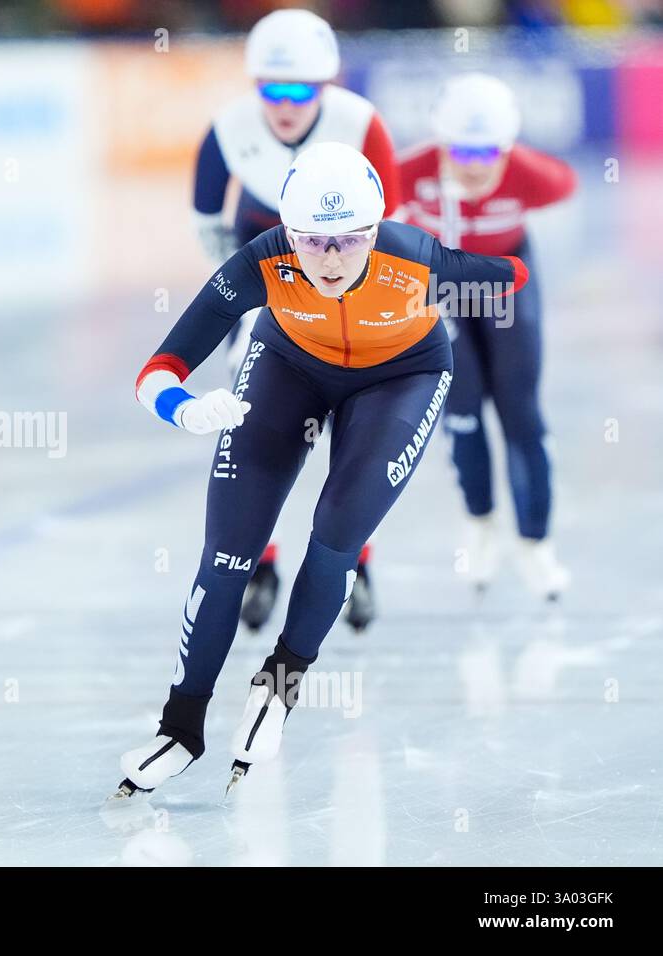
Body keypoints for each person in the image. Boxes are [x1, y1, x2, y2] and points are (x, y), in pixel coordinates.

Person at [113, 142, 527, 800]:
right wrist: (183, 409)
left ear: (374, 230)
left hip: (402, 379)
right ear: (286, 232)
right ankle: (181, 726)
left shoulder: (414, 257)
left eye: (349, 241)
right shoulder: (260, 261)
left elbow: (507, 274)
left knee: (336, 532)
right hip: (288, 369)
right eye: (312, 242)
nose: (331, 259)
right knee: (227, 554)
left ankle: (279, 686)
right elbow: (156, 372)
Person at [192, 7, 402, 634]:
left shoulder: (361, 123)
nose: (284, 104)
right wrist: (242, 293)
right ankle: (263, 561)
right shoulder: (227, 129)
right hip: (265, 266)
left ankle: (354, 559)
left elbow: (391, 229)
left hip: (350, 276)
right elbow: (207, 224)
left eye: (300, 90)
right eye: (271, 90)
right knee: (256, 416)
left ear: (326, 86)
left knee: (354, 415)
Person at [399, 73, 576, 599]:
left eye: (488, 153)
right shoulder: (408, 171)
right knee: (462, 412)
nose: (475, 166)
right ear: (440, 142)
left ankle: (536, 545)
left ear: (509, 147)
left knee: (521, 412)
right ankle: (479, 524)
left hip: (507, 284)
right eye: (461, 151)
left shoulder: (533, 175)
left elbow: (566, 183)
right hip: (440, 287)